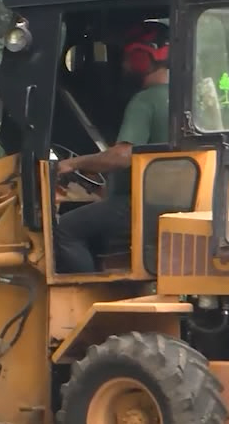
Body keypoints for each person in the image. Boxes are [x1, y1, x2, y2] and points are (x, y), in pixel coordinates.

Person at [53, 21, 171, 273]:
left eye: (129, 57)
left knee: (65, 230)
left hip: (143, 205)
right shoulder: (189, 97)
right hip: (177, 201)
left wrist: (72, 163)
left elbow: (123, 156)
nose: (124, 65)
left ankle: (84, 298)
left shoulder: (145, 101)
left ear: (143, 58)